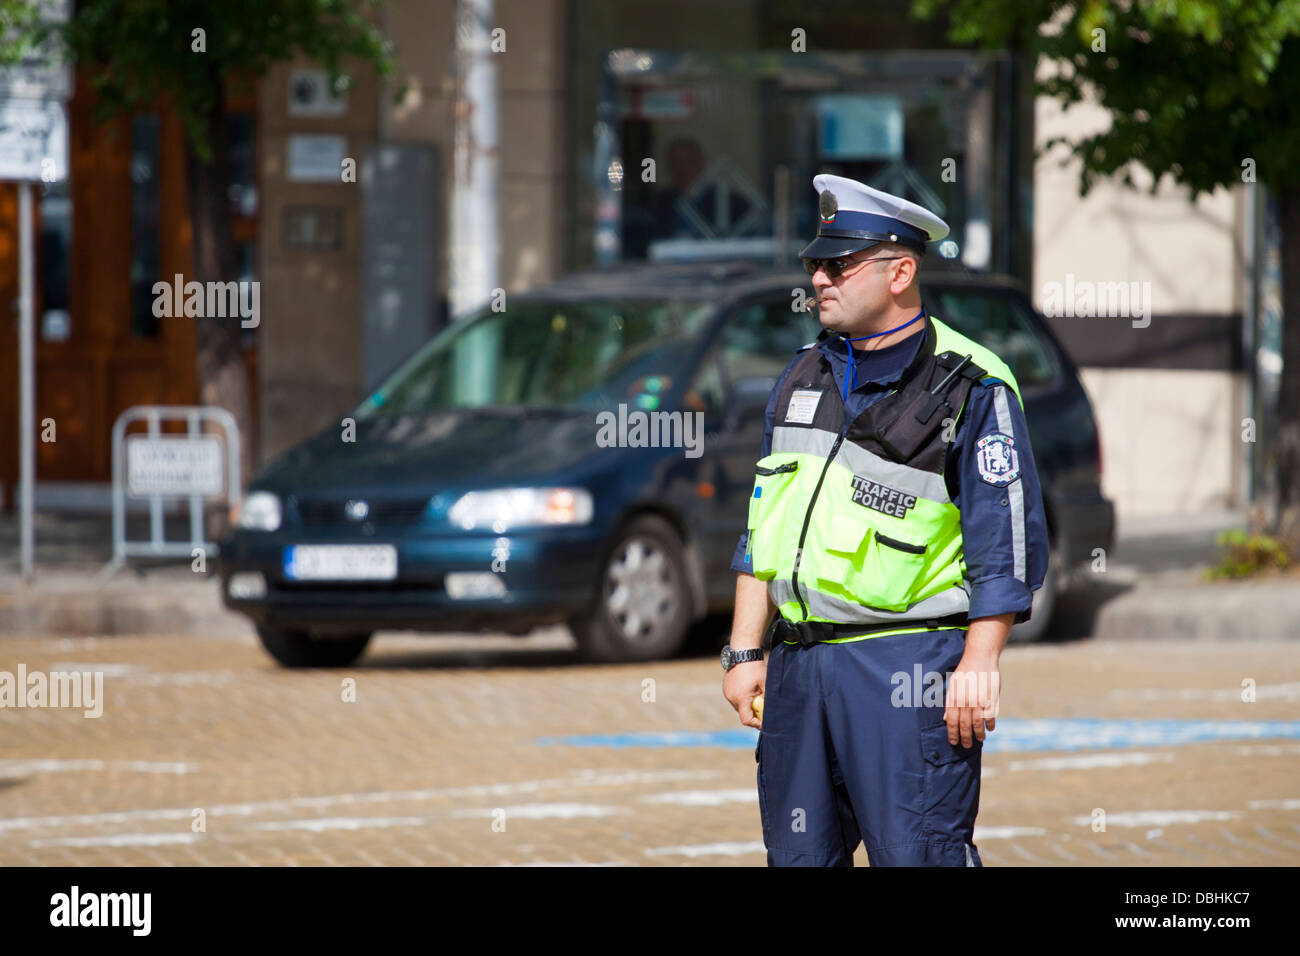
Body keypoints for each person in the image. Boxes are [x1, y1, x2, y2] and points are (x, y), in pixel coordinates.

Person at [719, 173, 1049, 866]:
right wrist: (746, 651)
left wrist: (980, 661)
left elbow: (1005, 545)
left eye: (837, 264)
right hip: (798, 669)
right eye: (814, 263)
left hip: (906, 666)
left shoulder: (970, 384)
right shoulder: (800, 375)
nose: (818, 277)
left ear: (901, 270)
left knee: (917, 855)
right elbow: (764, 527)